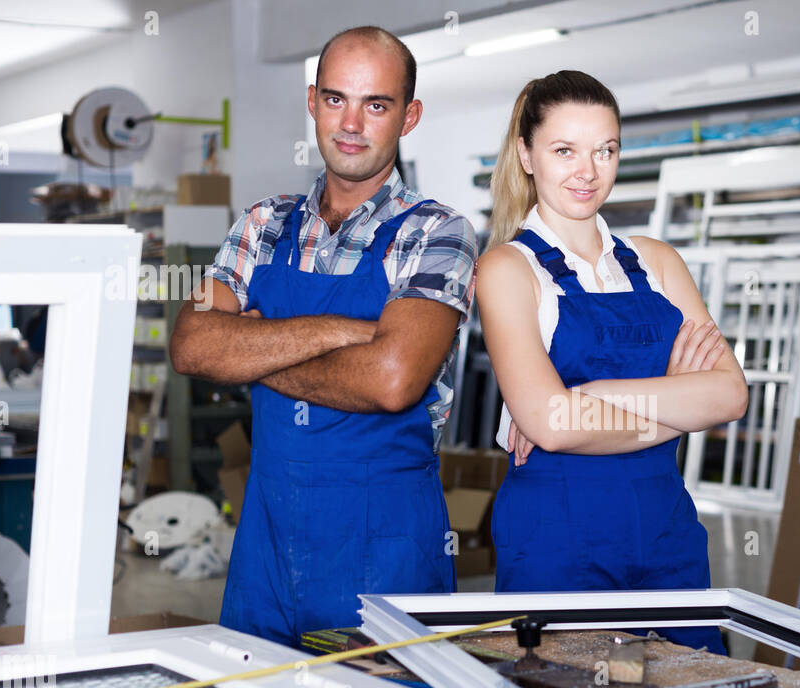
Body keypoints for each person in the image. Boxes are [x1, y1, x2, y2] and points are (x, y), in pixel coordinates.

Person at [170, 26, 477, 648]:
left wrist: (250, 350)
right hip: (266, 549)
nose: (351, 124)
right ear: (312, 102)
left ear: (409, 116)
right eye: (336, 99)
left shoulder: (437, 234)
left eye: (376, 105)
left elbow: (391, 382)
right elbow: (192, 345)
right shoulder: (262, 223)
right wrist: (339, 332)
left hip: (384, 552)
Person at [476, 71, 749, 654]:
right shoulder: (507, 270)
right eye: (564, 150)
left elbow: (730, 396)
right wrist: (678, 406)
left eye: (605, 150)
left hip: (668, 533)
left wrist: (592, 395)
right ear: (526, 154)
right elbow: (552, 426)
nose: (588, 171)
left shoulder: (658, 262)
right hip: (557, 540)